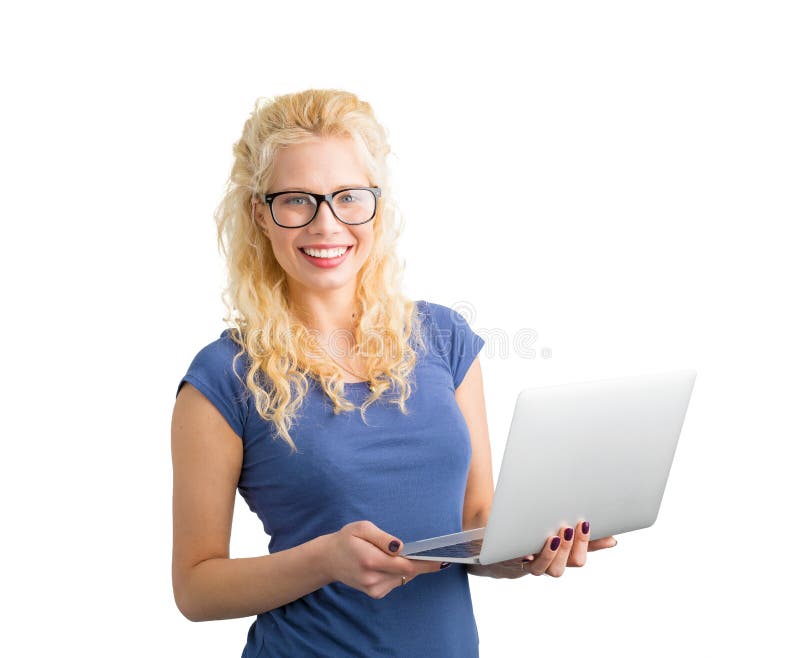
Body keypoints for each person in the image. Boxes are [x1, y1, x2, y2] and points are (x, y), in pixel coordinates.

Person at [171, 88, 617, 657]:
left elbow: (476, 523)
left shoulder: (445, 340)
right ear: (261, 213)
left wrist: (526, 551)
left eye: (348, 197)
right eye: (296, 200)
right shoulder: (221, 378)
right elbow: (195, 586)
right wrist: (324, 560)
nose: (326, 224)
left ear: (377, 205)